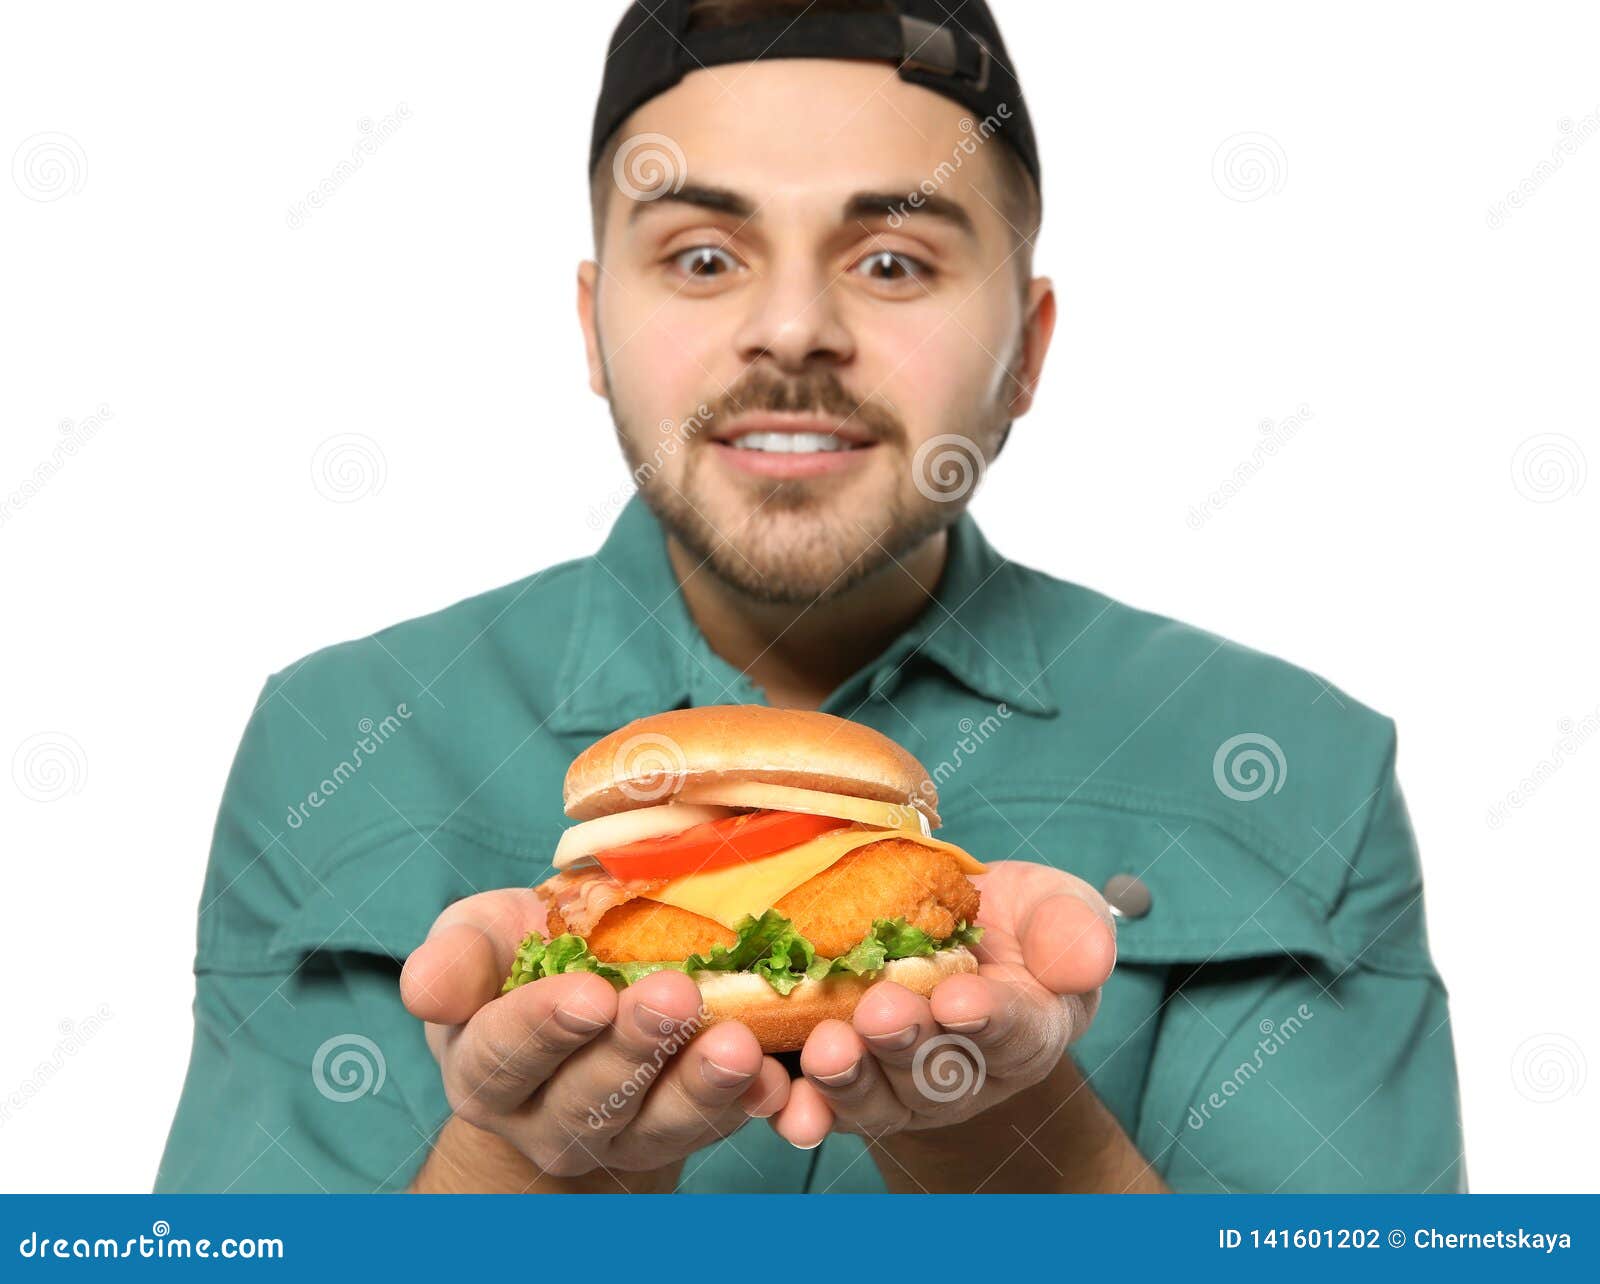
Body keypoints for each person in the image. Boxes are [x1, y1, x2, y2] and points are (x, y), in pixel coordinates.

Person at [157, 0, 1464, 1195]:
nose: (791, 329)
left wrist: (1012, 1144)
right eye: (704, 257)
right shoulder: (336, 743)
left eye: (893, 262)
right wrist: (524, 1172)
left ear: (1028, 351)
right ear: (593, 325)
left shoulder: (1300, 768)